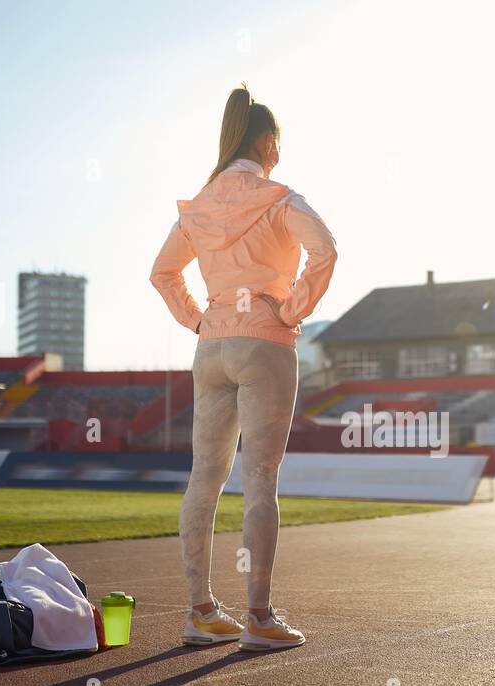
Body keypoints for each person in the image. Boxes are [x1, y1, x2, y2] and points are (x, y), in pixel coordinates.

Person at [150, 84, 338, 651]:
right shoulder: (279, 197)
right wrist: (291, 308)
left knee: (202, 480)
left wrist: (198, 322)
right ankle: (259, 616)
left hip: (212, 346)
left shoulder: (199, 206)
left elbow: (163, 274)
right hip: (264, 342)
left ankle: (200, 612)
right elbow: (326, 251)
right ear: (269, 141)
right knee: (260, 478)